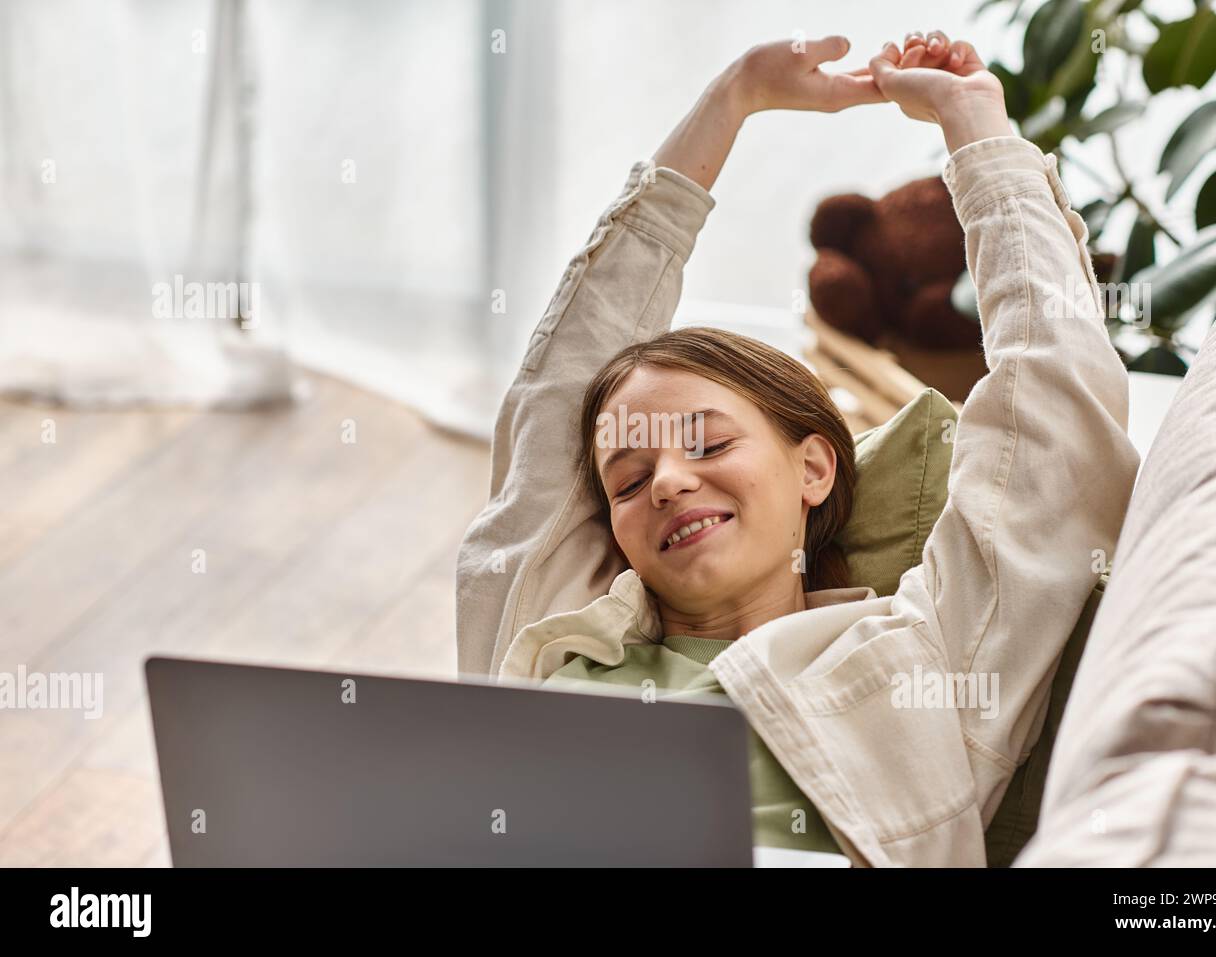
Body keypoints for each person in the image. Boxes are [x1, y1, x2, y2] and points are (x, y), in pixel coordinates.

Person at [456, 31, 1140, 866]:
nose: (667, 480)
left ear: (815, 466)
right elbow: (557, 390)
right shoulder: (551, 633)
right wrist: (731, 99)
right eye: (627, 480)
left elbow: (1055, 420)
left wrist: (976, 127)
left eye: (706, 444)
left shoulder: (917, 667)